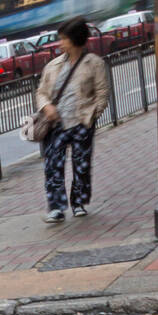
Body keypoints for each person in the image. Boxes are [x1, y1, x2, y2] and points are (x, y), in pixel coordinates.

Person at [36, 17, 110, 223]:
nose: (60, 43)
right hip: (56, 125)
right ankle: (56, 208)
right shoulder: (53, 65)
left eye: (64, 39)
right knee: (53, 166)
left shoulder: (94, 63)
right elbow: (41, 92)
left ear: (75, 39)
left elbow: (102, 92)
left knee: (82, 166)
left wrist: (93, 115)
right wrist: (47, 106)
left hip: (81, 123)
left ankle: (78, 202)